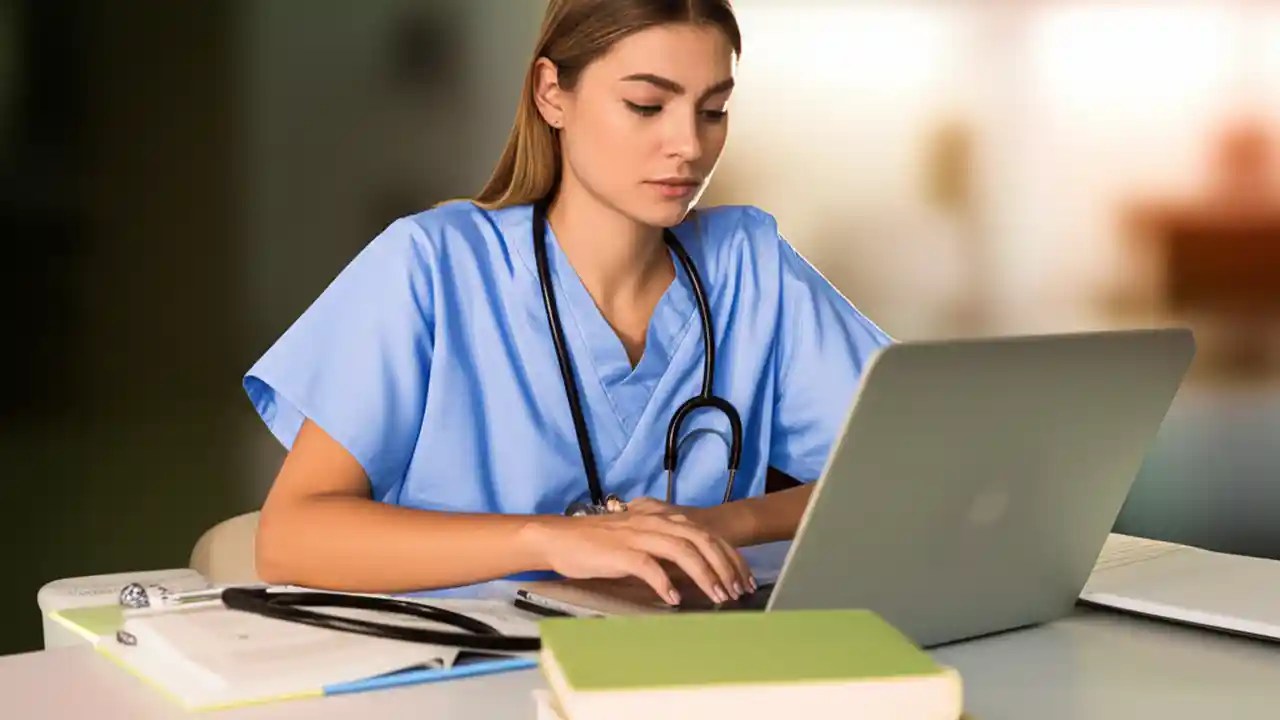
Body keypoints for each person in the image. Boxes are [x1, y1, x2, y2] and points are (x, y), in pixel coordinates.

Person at [244, 0, 892, 608]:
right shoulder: (431, 265)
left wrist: (716, 524)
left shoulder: (752, 267)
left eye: (713, 111)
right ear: (552, 94)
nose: (689, 146)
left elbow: (912, 466)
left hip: (689, 666)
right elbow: (290, 536)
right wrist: (551, 540)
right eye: (646, 106)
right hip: (473, 667)